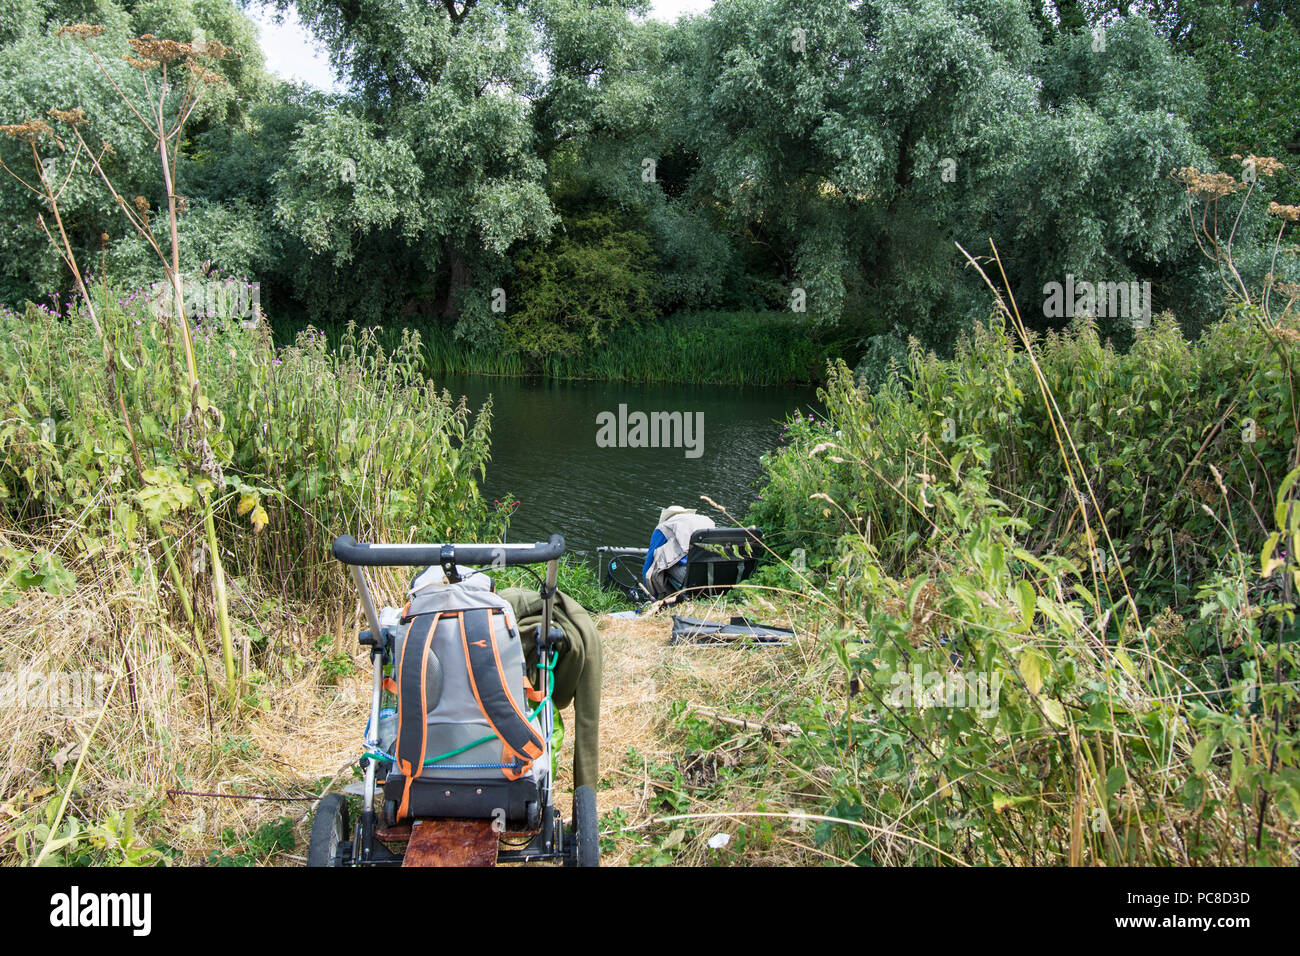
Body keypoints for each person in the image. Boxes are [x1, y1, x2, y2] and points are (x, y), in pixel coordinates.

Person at [642, 506, 715, 598]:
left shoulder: (664, 527)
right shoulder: (705, 521)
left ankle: (664, 598)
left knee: (660, 566)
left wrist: (649, 594)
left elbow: (649, 564)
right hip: (714, 572)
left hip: (689, 576)